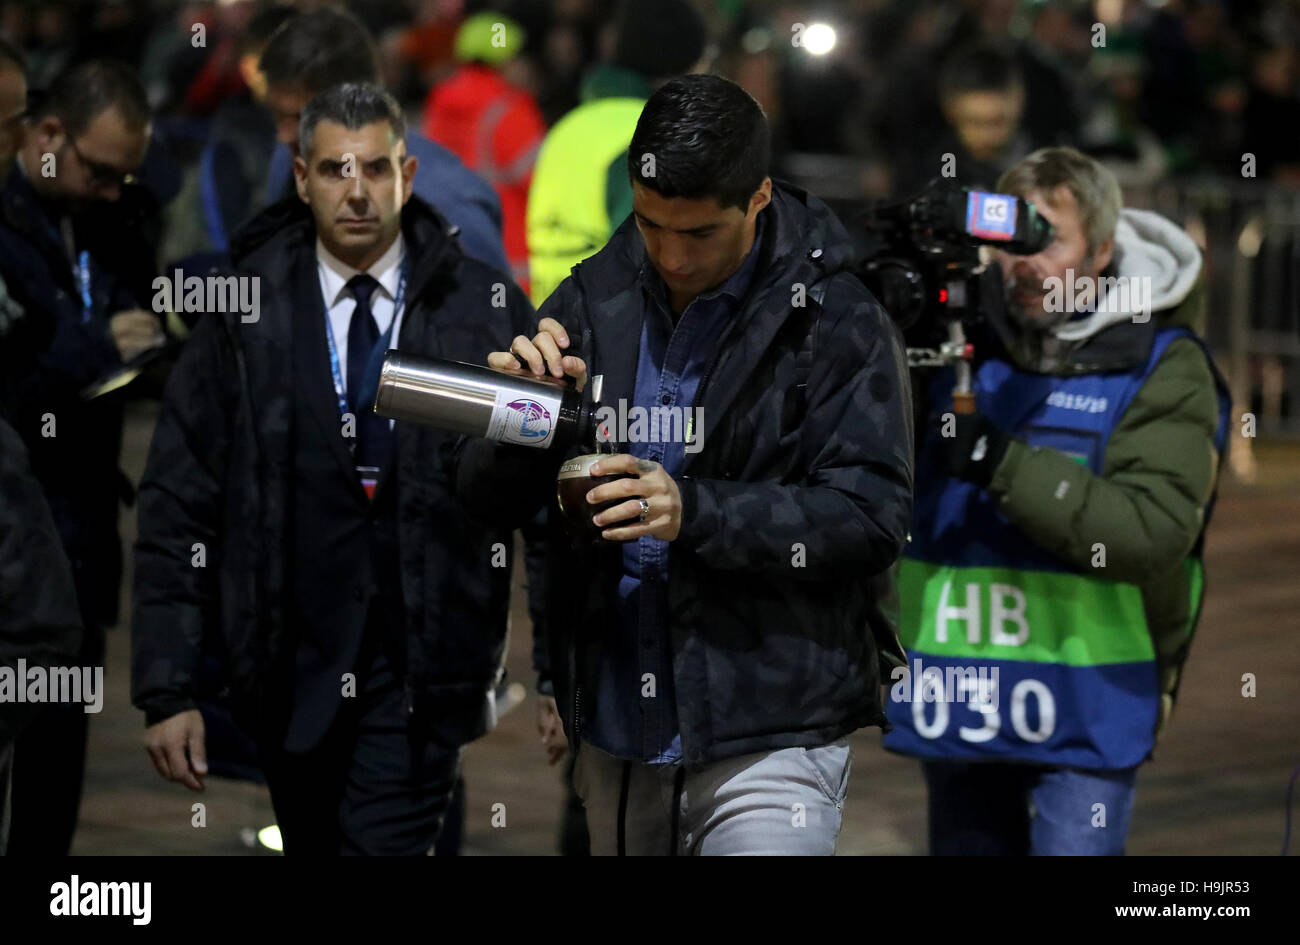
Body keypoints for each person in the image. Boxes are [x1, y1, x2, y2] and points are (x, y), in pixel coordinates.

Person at [455, 75, 914, 855]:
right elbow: (481, 500)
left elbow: (870, 516)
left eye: (699, 233)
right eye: (650, 224)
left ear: (760, 197)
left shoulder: (838, 317)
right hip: (616, 720)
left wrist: (695, 510)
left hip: (773, 724)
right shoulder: (590, 298)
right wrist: (519, 421)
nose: (670, 254)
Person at [131, 82, 535, 855]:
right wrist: (167, 687)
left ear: (408, 175)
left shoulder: (476, 303)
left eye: (376, 169)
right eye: (336, 170)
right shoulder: (245, 307)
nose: (358, 191)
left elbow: (537, 501)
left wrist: (555, 676)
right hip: (289, 671)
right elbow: (179, 498)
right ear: (301, 177)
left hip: (421, 673)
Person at [883, 146, 1231, 855]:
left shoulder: (1163, 363)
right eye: (1010, 239)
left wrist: (1003, 462)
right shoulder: (946, 343)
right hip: (962, 693)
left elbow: (1150, 530)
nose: (1026, 261)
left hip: (1090, 704)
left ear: (1103, 251)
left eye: (1049, 240)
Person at [0, 57, 158, 856]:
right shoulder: (6, 216)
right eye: (100, 171)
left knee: (55, 776)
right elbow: (18, 375)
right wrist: (98, 346)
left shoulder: (108, 213)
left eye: (122, 177)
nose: (110, 190)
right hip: (16, 540)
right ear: (48, 132)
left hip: (81, 544)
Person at [259, 6, 509, 275]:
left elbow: (495, 311)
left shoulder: (446, 207)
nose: (283, 135)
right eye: (278, 116)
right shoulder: (288, 166)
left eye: (299, 118)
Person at [524, 0, 707, 307]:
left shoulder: (568, 126)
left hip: (550, 328)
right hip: (615, 336)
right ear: (685, 64)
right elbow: (651, 258)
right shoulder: (654, 132)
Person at [422, 11, 546, 293]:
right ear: (504, 60)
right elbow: (539, 183)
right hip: (509, 260)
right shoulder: (512, 108)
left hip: (449, 254)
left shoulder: (439, 103)